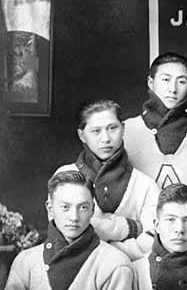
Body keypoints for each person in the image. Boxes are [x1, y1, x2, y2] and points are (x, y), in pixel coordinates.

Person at [0, 170, 135, 290]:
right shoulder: (25, 262)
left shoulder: (114, 263)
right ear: (50, 208)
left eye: (83, 207)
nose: (74, 216)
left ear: (93, 210)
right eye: (65, 207)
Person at [54, 98, 159, 260]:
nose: (106, 139)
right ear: (82, 135)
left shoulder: (144, 185)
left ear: (123, 129)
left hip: (129, 271)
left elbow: (154, 238)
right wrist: (129, 228)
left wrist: (111, 252)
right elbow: (64, 233)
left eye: (112, 128)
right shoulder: (64, 177)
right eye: (96, 131)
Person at [123, 52, 187, 191]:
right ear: (151, 83)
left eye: (181, 81)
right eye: (166, 80)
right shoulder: (126, 131)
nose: (173, 89)